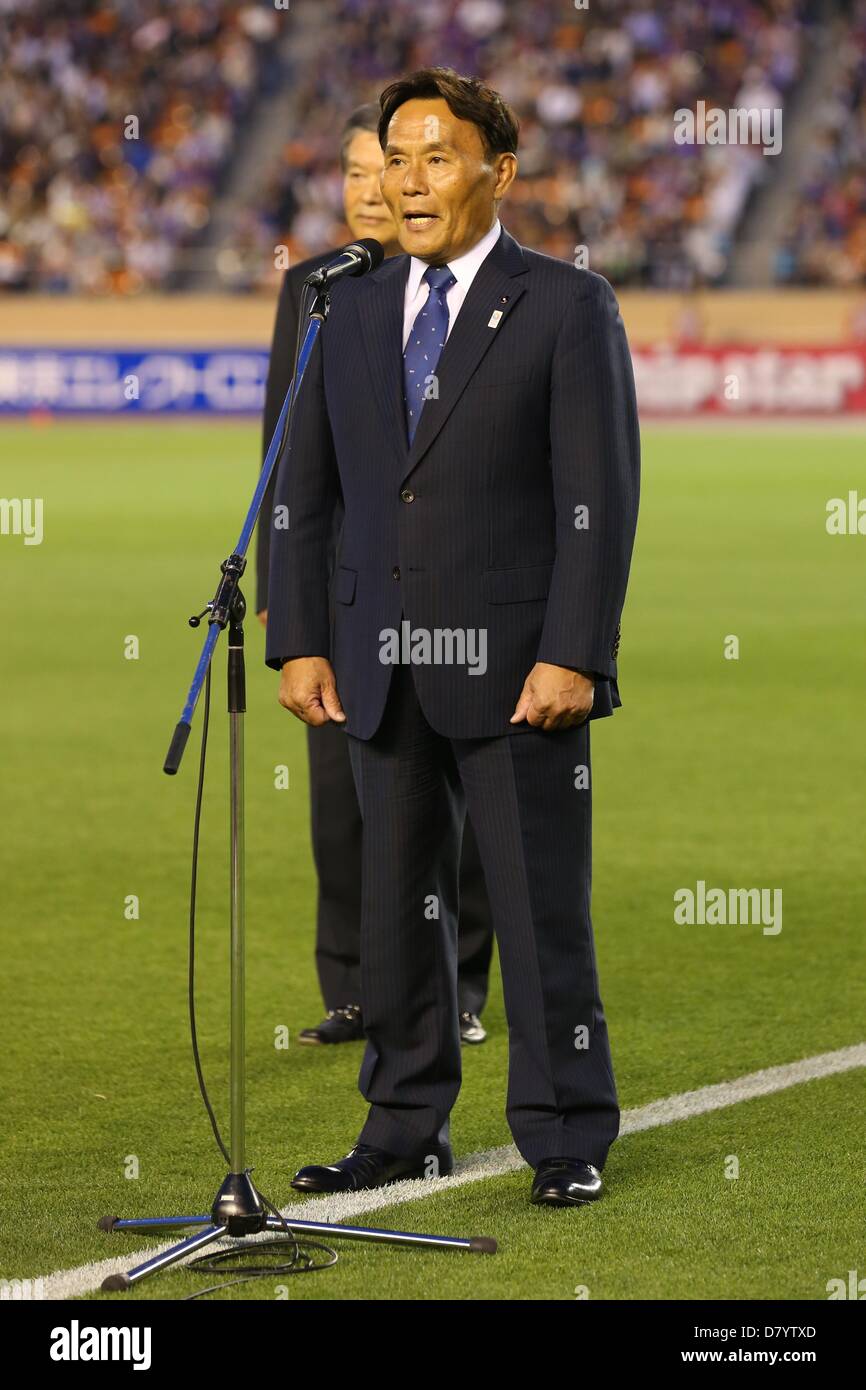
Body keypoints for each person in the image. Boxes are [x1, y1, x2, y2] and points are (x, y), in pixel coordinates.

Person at [265, 68, 640, 1208]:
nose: (409, 181)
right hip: (375, 663)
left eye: (436, 157)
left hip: (520, 667)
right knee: (394, 913)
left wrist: (574, 652)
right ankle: (401, 1124)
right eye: (396, 159)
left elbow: (599, 496)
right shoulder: (343, 306)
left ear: (498, 172)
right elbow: (305, 491)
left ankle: (565, 1130)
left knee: (537, 911)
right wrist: (299, 637)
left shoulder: (566, 304)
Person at [257, 103, 493, 1047]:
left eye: (383, 169)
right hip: (343, 590)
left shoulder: (470, 287)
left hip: (448, 585)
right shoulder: (316, 288)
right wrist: (285, 595)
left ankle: (457, 984)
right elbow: (287, 454)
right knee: (340, 801)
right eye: (357, 171)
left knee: (455, 795)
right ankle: (354, 985)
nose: (369, 189)